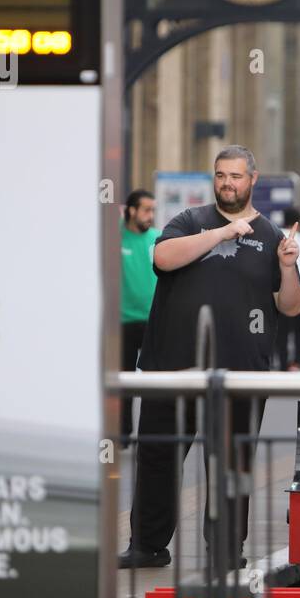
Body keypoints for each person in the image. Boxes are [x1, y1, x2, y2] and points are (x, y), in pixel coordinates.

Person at [120, 145, 300, 569]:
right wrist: (222, 232)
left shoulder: (274, 239)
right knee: (158, 458)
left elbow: (291, 306)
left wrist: (289, 267)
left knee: (230, 464)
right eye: (221, 175)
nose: (228, 183)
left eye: (236, 176)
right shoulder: (189, 221)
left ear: (253, 180)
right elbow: (162, 259)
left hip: (241, 374)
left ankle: (224, 551)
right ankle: (147, 545)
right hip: (173, 368)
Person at [119, 189, 157, 445]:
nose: (150, 216)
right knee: (123, 380)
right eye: (146, 210)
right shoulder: (114, 238)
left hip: (154, 320)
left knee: (156, 381)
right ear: (131, 211)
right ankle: (123, 433)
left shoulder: (158, 238)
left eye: (153, 210)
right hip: (122, 321)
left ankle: (151, 435)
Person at [273, 207, 300, 369]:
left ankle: (282, 362)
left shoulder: (276, 237)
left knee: (281, 332)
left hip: (279, 294)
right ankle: (296, 362)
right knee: (299, 331)